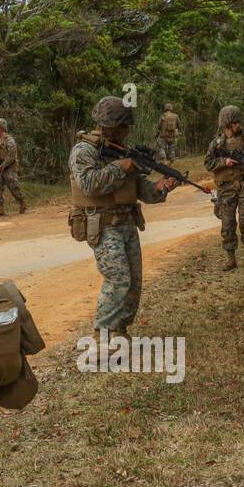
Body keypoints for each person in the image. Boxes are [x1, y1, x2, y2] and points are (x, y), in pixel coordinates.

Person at [68, 96, 178, 337]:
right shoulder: (84, 150)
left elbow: (137, 187)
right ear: (109, 125)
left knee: (134, 281)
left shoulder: (121, 151)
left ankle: (119, 329)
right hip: (103, 224)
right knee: (118, 277)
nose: (127, 131)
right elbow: (88, 184)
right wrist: (122, 166)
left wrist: (160, 188)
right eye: (123, 126)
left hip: (127, 222)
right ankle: (103, 333)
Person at [204, 105, 244, 270]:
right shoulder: (216, 143)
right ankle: (231, 258)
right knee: (228, 223)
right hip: (225, 188)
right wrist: (224, 162)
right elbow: (208, 163)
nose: (239, 125)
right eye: (236, 121)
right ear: (228, 123)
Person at [0, 117, 25, 215]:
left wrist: (3, 165)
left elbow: (12, 156)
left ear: (2, 128)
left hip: (9, 167)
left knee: (14, 187)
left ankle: (22, 201)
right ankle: (0, 209)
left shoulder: (9, 140)